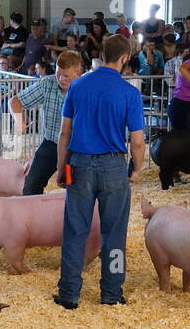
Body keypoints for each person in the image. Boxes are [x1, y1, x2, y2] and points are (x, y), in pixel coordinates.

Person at [53, 35, 145, 310]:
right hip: (114, 167)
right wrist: (137, 169)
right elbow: (138, 142)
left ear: (101, 54)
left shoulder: (77, 86)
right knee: (114, 233)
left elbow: (64, 133)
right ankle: (111, 293)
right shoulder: (130, 93)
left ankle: (69, 293)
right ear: (125, 58)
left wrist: (61, 169)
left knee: (74, 230)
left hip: (79, 165)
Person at [11, 50, 81, 195]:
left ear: (78, 73)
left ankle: (70, 216)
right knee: (31, 185)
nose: (61, 79)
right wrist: (19, 120)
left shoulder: (85, 90)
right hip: (50, 146)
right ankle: (32, 216)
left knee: (71, 187)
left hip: (74, 150)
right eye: (58, 74)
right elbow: (15, 101)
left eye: (66, 76)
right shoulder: (47, 84)